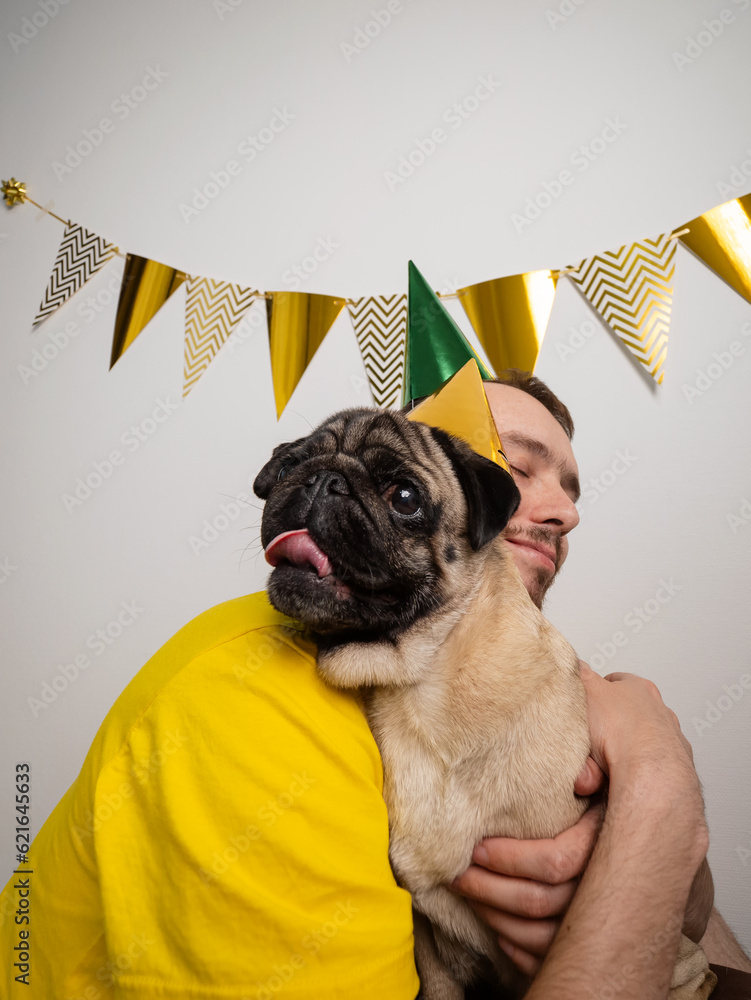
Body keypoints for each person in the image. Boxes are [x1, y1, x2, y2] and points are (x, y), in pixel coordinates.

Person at [1, 370, 747, 999]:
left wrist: (658, 878)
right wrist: (658, 788)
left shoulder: (518, 695)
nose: (563, 512)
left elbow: (690, 920)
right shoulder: (251, 702)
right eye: (515, 471)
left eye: (569, 487)